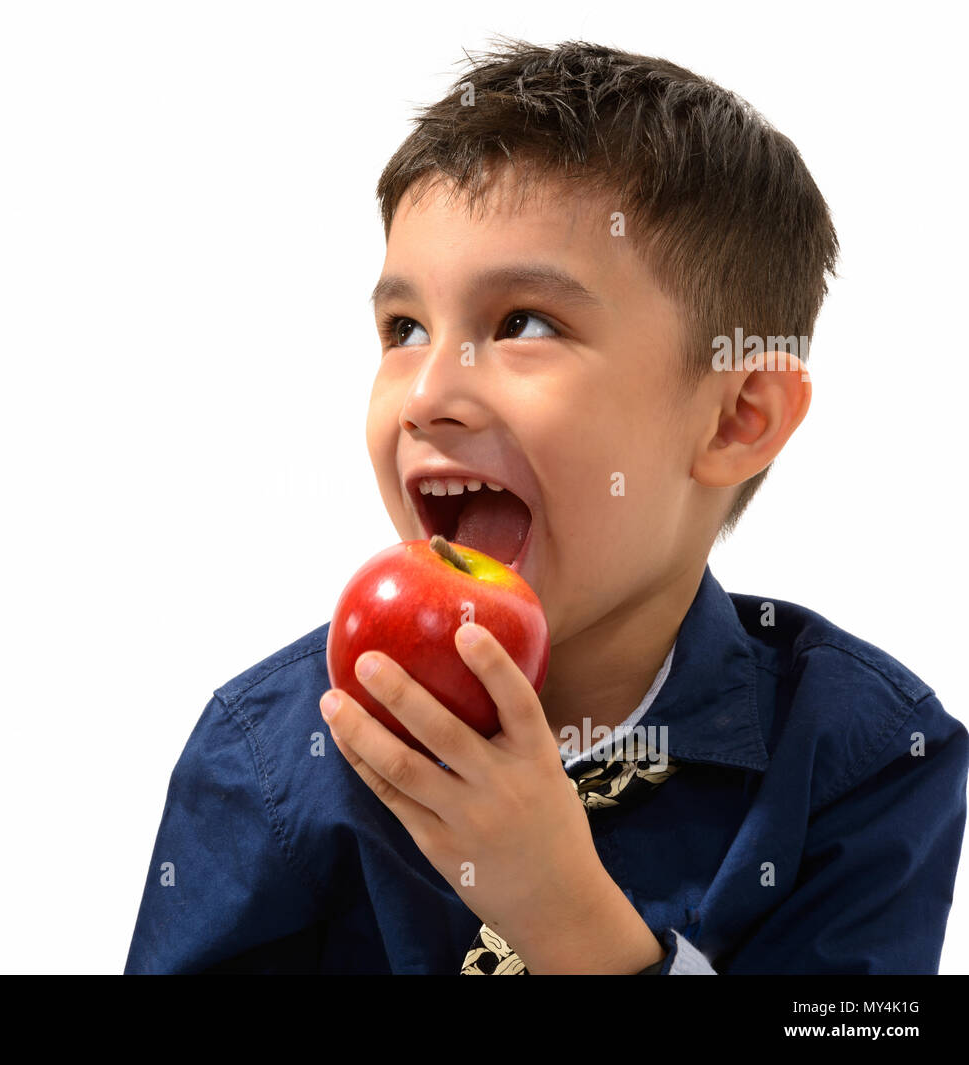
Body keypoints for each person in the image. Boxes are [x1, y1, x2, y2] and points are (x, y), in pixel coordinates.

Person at [123, 39, 968, 974]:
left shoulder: (870, 756)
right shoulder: (275, 753)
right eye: (404, 329)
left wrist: (570, 920)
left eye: (523, 323)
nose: (427, 393)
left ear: (737, 416)